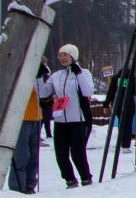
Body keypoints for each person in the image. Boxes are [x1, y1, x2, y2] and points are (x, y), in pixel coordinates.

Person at [37, 44, 95, 187]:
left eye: (65, 55)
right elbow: (43, 93)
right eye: (60, 55)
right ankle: (69, 178)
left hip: (79, 119)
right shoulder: (57, 75)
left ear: (73, 56)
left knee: (77, 152)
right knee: (61, 153)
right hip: (60, 120)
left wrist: (79, 73)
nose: (62, 58)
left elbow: (88, 91)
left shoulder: (84, 73)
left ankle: (86, 177)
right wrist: (38, 76)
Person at [9, 66, 43, 192]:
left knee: (34, 154)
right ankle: (18, 185)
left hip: (36, 116)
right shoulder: (17, 71)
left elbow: (43, 93)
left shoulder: (37, 74)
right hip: (22, 117)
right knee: (22, 153)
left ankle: (30, 184)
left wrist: (39, 78)